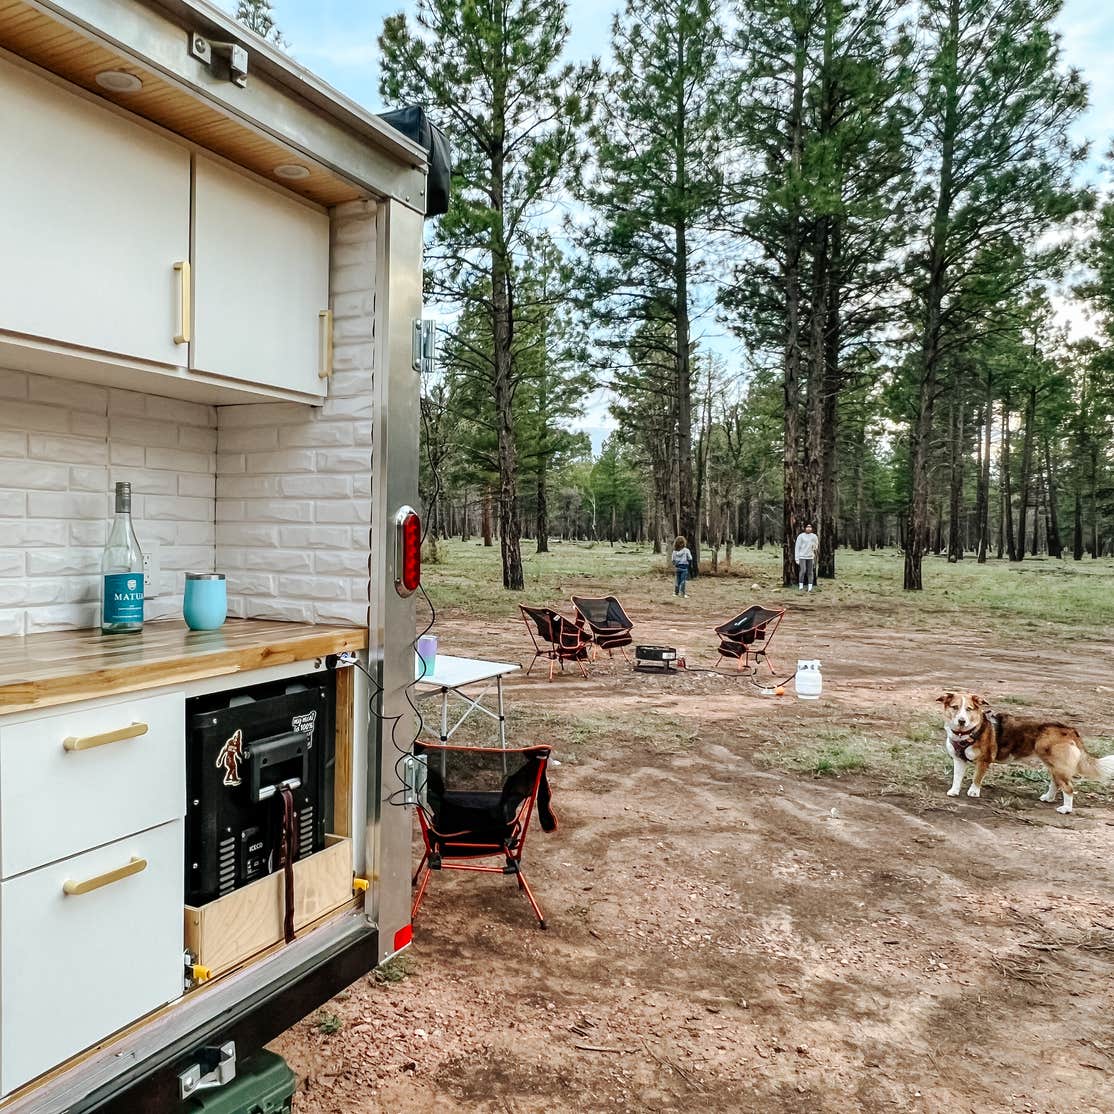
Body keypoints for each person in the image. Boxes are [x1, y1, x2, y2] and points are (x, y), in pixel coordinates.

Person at [794, 523, 819, 591]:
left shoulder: (814, 536)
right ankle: (801, 585)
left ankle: (810, 586)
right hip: (802, 556)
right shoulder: (801, 536)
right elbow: (797, 547)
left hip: (810, 557)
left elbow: (816, 546)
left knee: (810, 572)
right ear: (805, 528)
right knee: (803, 570)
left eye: (810, 527)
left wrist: (814, 548)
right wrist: (797, 558)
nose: (809, 528)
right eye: (807, 527)